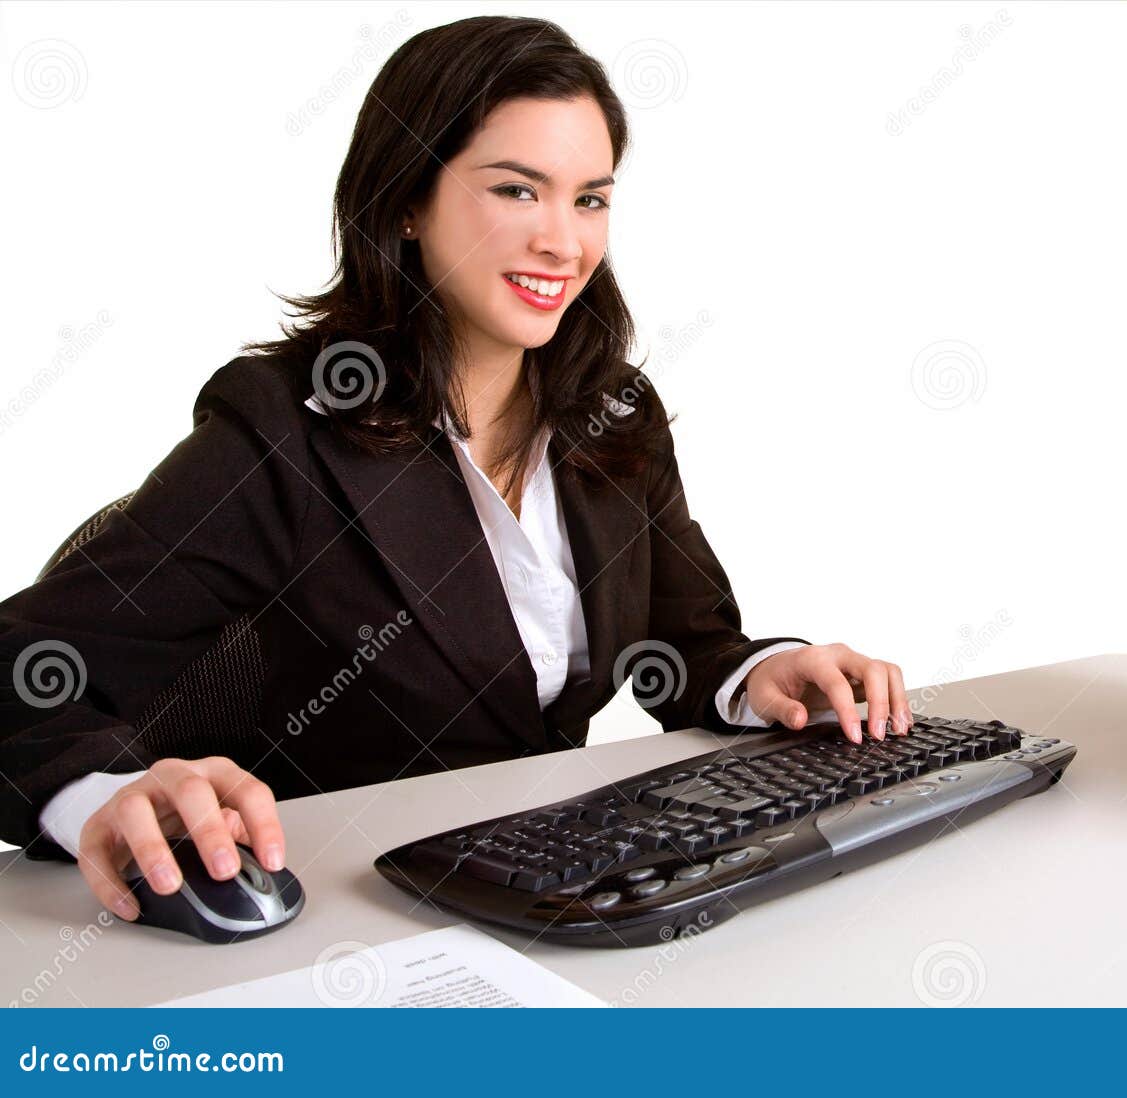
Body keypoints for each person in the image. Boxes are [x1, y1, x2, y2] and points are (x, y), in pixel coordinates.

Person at [0, 15, 910, 924]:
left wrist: (763, 676)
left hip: (560, 887)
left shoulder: (612, 410)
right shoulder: (285, 432)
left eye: (590, 198)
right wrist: (96, 802)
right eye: (518, 191)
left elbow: (678, 645)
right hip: (351, 913)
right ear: (404, 201)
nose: (565, 243)